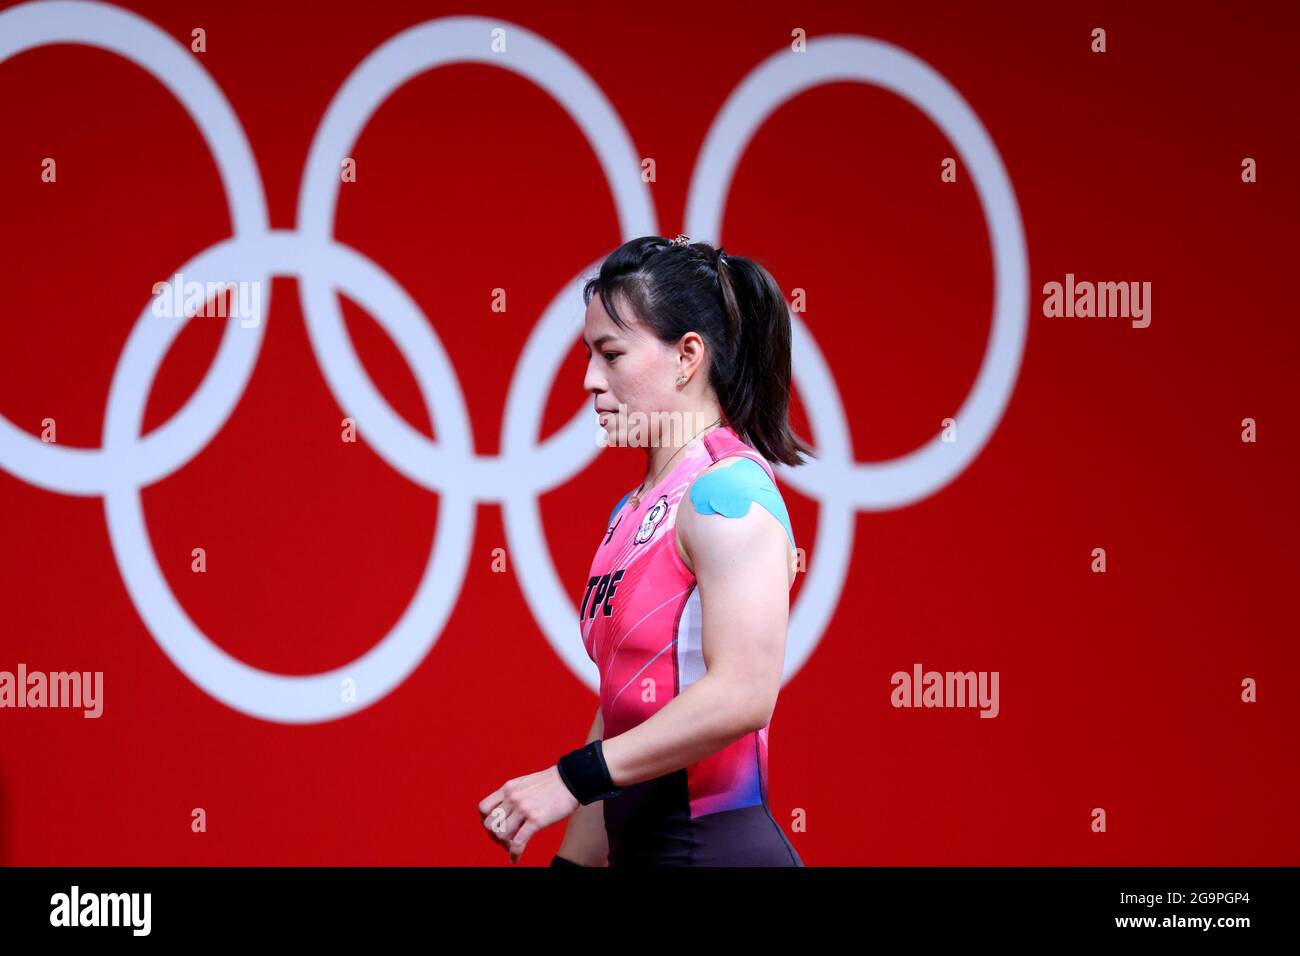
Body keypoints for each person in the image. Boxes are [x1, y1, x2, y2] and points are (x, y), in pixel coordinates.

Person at [478, 234, 813, 865]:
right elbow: (624, 708)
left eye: (612, 354)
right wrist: (573, 865)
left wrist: (567, 779)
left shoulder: (728, 493)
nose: (588, 380)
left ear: (688, 355)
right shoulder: (630, 512)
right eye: (588, 354)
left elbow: (743, 692)